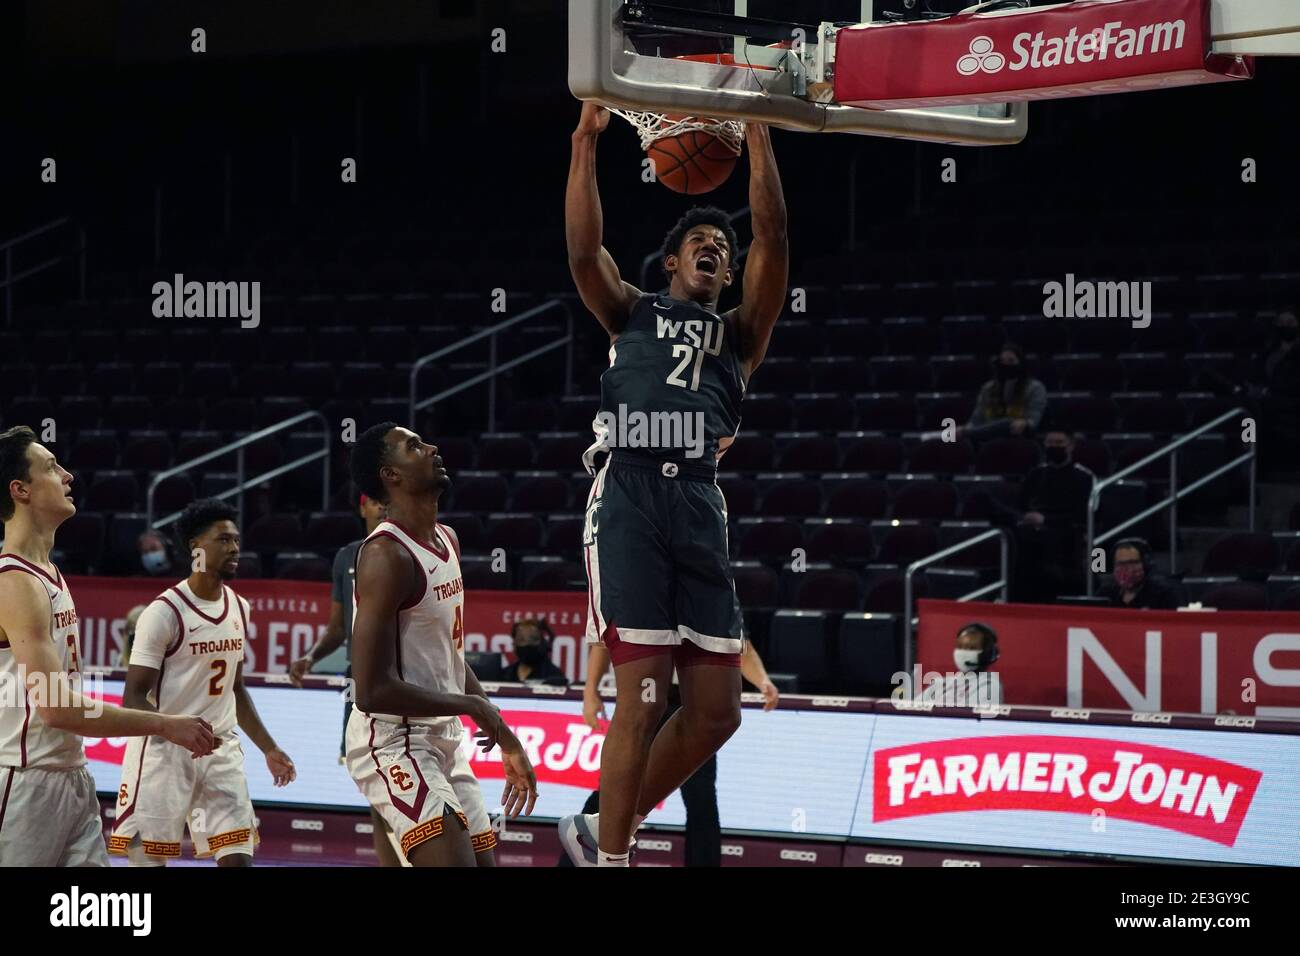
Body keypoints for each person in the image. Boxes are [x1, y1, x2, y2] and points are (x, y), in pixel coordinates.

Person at [562, 101, 788, 867]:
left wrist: (757, 131)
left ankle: (598, 829)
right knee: (644, 697)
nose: (716, 251)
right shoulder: (632, 311)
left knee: (717, 712)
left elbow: (775, 239)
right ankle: (616, 857)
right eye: (700, 241)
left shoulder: (741, 335)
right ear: (670, 262)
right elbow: (584, 246)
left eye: (723, 247)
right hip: (628, 491)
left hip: (696, 499)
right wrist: (586, 141)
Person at [0, 425, 215, 867]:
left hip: (70, 774)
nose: (68, 475)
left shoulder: (49, 574)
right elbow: (57, 708)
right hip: (24, 782)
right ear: (20, 490)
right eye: (51, 467)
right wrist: (162, 724)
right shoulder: (14, 581)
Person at [346, 422, 537, 867]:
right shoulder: (386, 556)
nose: (432, 447)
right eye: (414, 446)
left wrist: (505, 736)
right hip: (393, 738)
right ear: (390, 474)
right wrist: (472, 707)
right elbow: (371, 690)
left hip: (443, 737)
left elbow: (450, 657)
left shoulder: (447, 538)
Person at [110, 498, 296, 866]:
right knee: (149, 862)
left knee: (238, 859)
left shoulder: (240, 607)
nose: (235, 548)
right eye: (223, 540)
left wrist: (269, 749)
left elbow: (236, 689)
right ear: (196, 547)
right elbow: (132, 696)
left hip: (220, 750)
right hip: (164, 752)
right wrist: (172, 729)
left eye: (237, 540)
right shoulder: (163, 613)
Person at [564, 639, 780, 867]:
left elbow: (738, 642)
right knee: (616, 789)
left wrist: (762, 680)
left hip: (693, 699)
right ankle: (579, 854)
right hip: (647, 690)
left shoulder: (715, 605)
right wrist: (590, 691)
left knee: (701, 799)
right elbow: (604, 640)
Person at [288, 489, 400, 864]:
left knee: (406, 776)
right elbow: (338, 629)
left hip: (403, 673)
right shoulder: (346, 556)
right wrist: (310, 657)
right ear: (363, 506)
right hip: (360, 679)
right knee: (374, 784)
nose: (384, 505)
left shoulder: (407, 547)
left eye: (389, 499)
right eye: (376, 499)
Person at [983, 426, 1094, 602]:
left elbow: (1082, 516)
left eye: (1059, 443)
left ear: (1071, 446)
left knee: (1030, 546)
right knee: (989, 506)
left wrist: (1045, 520)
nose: (1053, 447)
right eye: (1049, 443)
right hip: (1029, 527)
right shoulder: (1036, 474)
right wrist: (1026, 518)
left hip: (1062, 531)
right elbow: (1021, 505)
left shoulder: (1084, 478)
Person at [958, 343, 1048, 443]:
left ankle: (965, 433)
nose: (1006, 364)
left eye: (1011, 361)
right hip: (988, 439)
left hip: (1020, 438)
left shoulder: (1035, 387)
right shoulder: (988, 388)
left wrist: (1025, 423)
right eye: (1002, 361)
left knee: (1008, 423)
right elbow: (976, 419)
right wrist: (965, 428)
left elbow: (1033, 420)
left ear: (1021, 363)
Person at [921, 622, 1004, 706]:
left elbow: (970, 716)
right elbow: (912, 709)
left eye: (972, 648)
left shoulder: (990, 685)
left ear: (986, 654)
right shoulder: (942, 682)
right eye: (960, 647)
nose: (963, 652)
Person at [1099, 538, 1188, 610]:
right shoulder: (1106, 594)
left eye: (1132, 562)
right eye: (1120, 564)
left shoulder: (1164, 594)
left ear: (1146, 564)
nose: (1126, 568)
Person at [501, 618, 568, 686]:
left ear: (543, 644)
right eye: (521, 640)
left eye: (533, 639)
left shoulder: (554, 676)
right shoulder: (504, 674)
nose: (526, 645)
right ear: (514, 644)